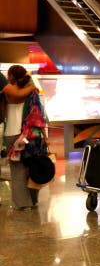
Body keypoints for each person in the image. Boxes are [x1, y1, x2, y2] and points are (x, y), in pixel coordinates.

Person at [2, 65, 42, 211]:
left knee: (17, 170)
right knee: (30, 167)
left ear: (11, 75)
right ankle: (34, 199)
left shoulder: (10, 92)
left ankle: (23, 203)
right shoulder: (31, 91)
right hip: (29, 133)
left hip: (13, 133)